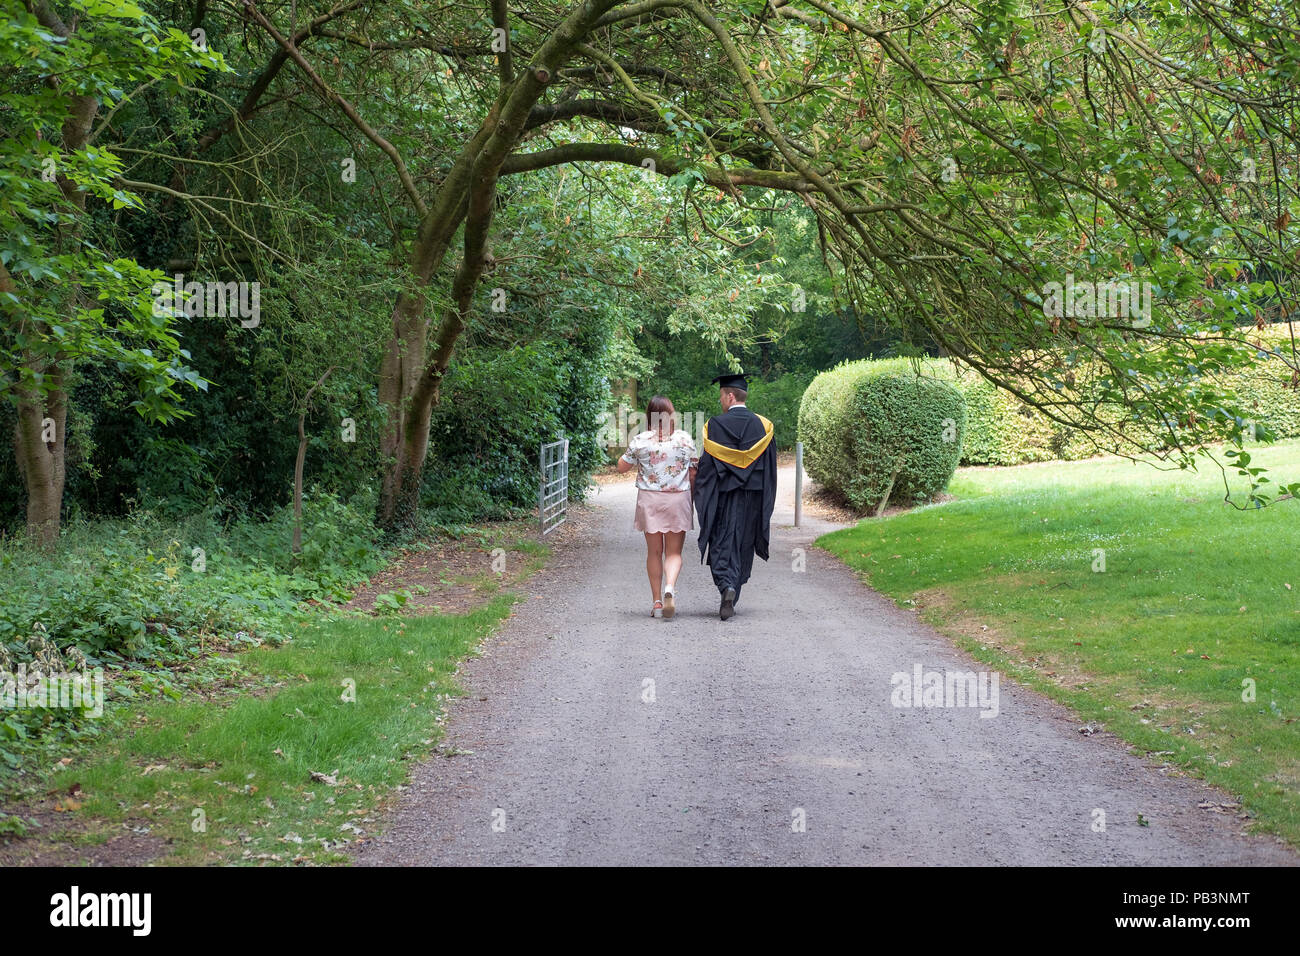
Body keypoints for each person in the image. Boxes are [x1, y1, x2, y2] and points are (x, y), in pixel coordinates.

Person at [691, 372, 777, 620]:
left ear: (730, 396)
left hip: (724, 496)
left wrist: (702, 495)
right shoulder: (764, 426)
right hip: (753, 496)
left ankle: (726, 586)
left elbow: (707, 469)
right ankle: (733, 591)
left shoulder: (715, 426)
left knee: (720, 541)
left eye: (721, 396)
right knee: (743, 543)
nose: (720, 401)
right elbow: (770, 469)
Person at [617, 396, 698, 619]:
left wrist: (634, 456)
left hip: (650, 500)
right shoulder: (684, 440)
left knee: (654, 552)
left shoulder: (641, 440)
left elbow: (621, 467)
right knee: (673, 553)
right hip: (677, 500)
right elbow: (693, 472)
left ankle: (657, 603)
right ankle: (670, 587)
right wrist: (689, 501)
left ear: (648, 416)